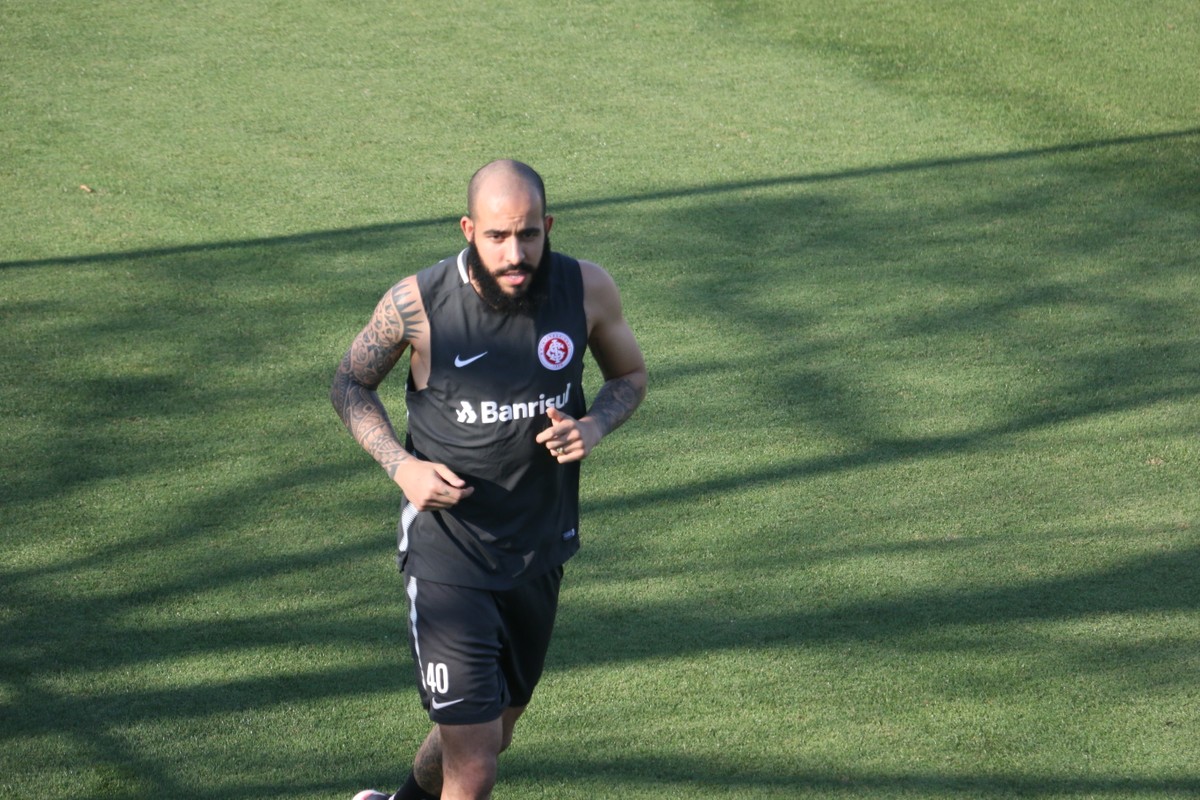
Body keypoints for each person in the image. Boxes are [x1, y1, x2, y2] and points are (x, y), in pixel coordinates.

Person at [331, 159, 647, 800]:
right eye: (498, 237)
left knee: (488, 733)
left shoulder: (586, 290)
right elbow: (349, 383)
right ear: (469, 229)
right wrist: (403, 466)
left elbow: (629, 378)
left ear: (547, 226)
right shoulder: (417, 304)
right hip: (449, 554)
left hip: (538, 548)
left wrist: (592, 428)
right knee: (474, 766)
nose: (515, 253)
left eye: (528, 235)